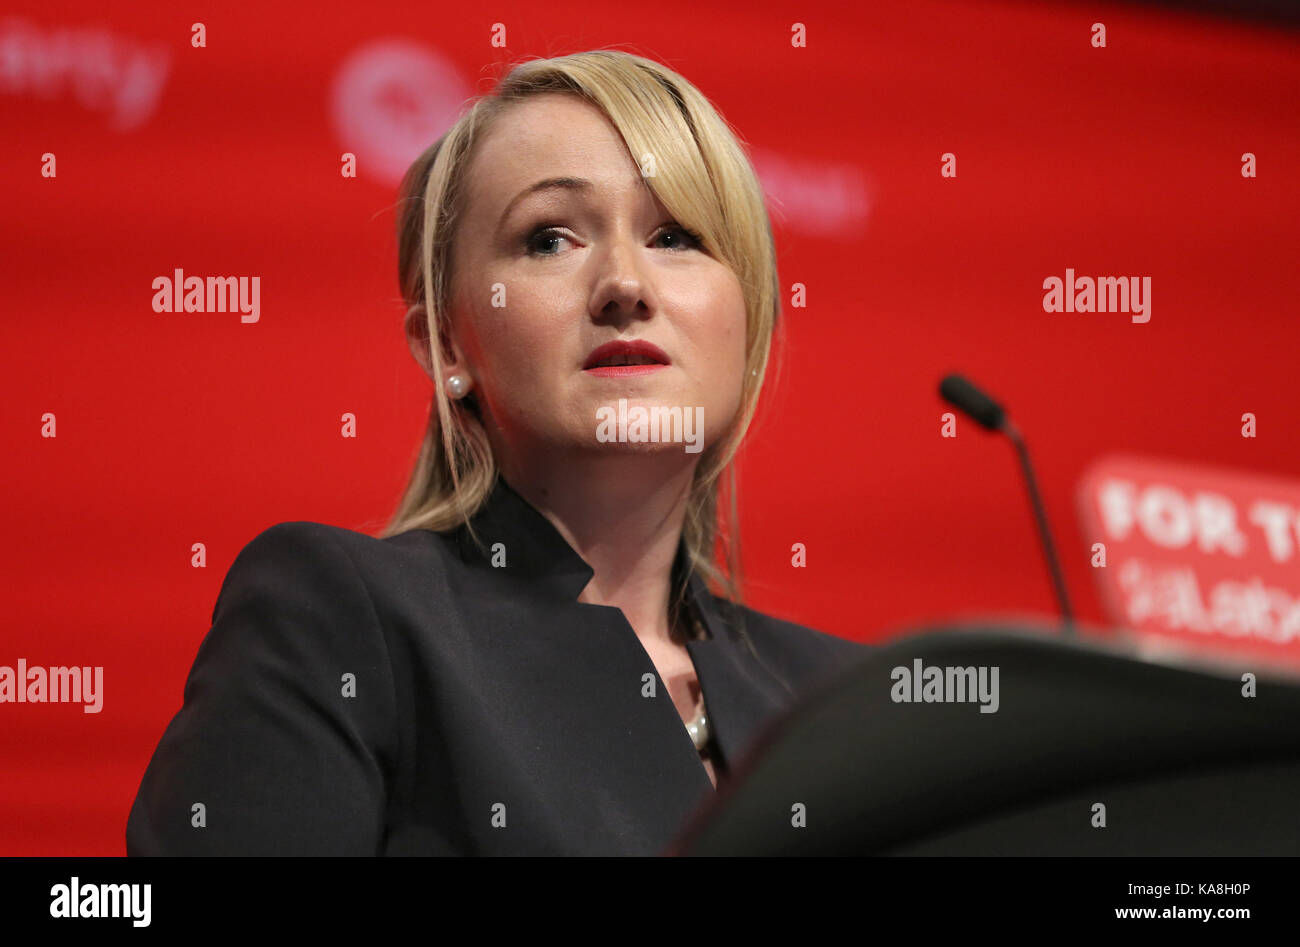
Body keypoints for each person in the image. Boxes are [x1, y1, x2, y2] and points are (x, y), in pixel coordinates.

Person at [126, 48, 870, 856]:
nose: (625, 282)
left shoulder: (849, 704)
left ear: (748, 321)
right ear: (449, 344)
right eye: (549, 239)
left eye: (676, 234)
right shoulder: (346, 624)